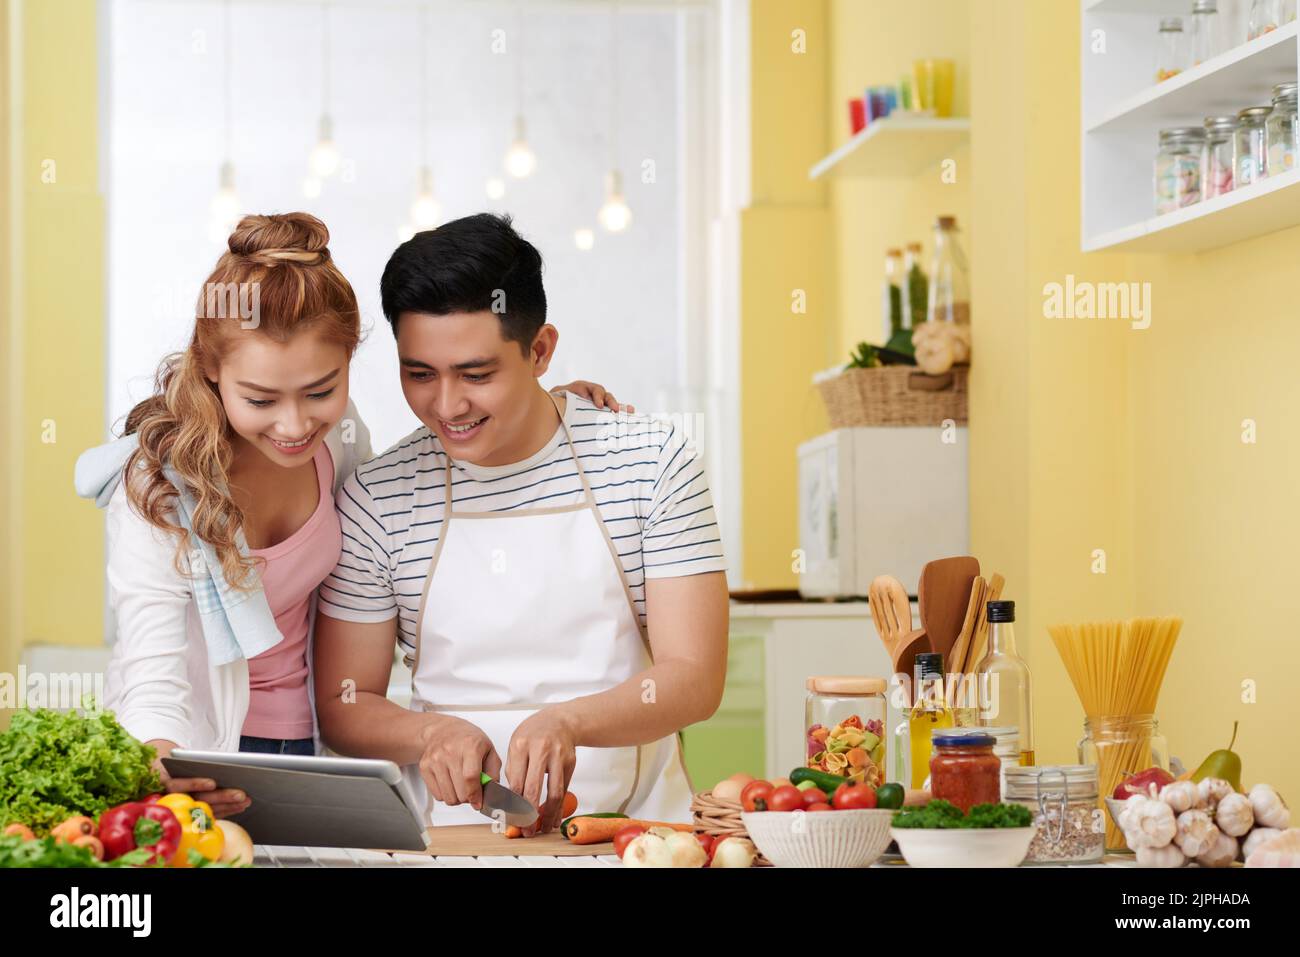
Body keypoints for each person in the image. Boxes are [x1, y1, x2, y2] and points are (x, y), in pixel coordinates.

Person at [74, 211, 627, 818]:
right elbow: (152, 674)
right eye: (260, 399)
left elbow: (414, 468)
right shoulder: (156, 488)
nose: (294, 425)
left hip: (316, 750)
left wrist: (540, 404)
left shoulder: (337, 440)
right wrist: (161, 764)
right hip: (199, 756)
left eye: (320, 390)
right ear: (211, 368)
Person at [313, 213, 730, 836]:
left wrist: (569, 721)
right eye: (419, 374)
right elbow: (345, 706)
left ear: (540, 351)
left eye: (477, 375)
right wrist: (431, 731)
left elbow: (694, 678)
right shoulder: (379, 495)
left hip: (636, 838)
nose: (447, 406)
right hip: (454, 842)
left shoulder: (650, 462)